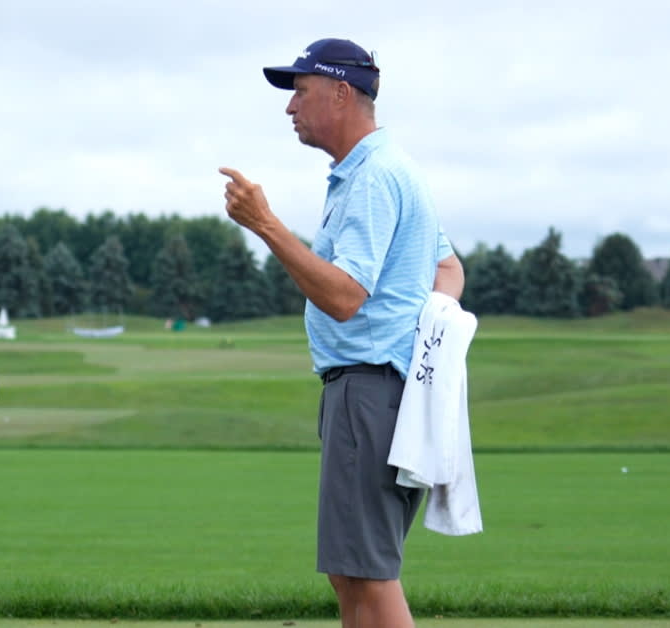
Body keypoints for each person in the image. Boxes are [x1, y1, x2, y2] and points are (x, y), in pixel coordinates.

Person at [219, 39, 465, 628]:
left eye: (299, 93)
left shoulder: (373, 179)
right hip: (383, 391)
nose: (290, 108)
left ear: (341, 92)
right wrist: (420, 330)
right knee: (351, 573)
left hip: (370, 389)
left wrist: (265, 225)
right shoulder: (388, 169)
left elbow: (344, 298)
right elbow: (449, 269)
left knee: (369, 577)